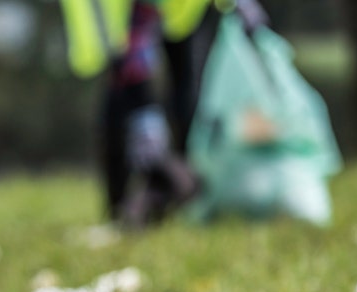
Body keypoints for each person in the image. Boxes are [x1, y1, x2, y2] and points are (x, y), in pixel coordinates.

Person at [60, 0, 267, 228]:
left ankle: (176, 194)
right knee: (129, 91)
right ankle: (126, 205)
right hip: (126, 15)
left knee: (186, 89)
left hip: (179, 12)